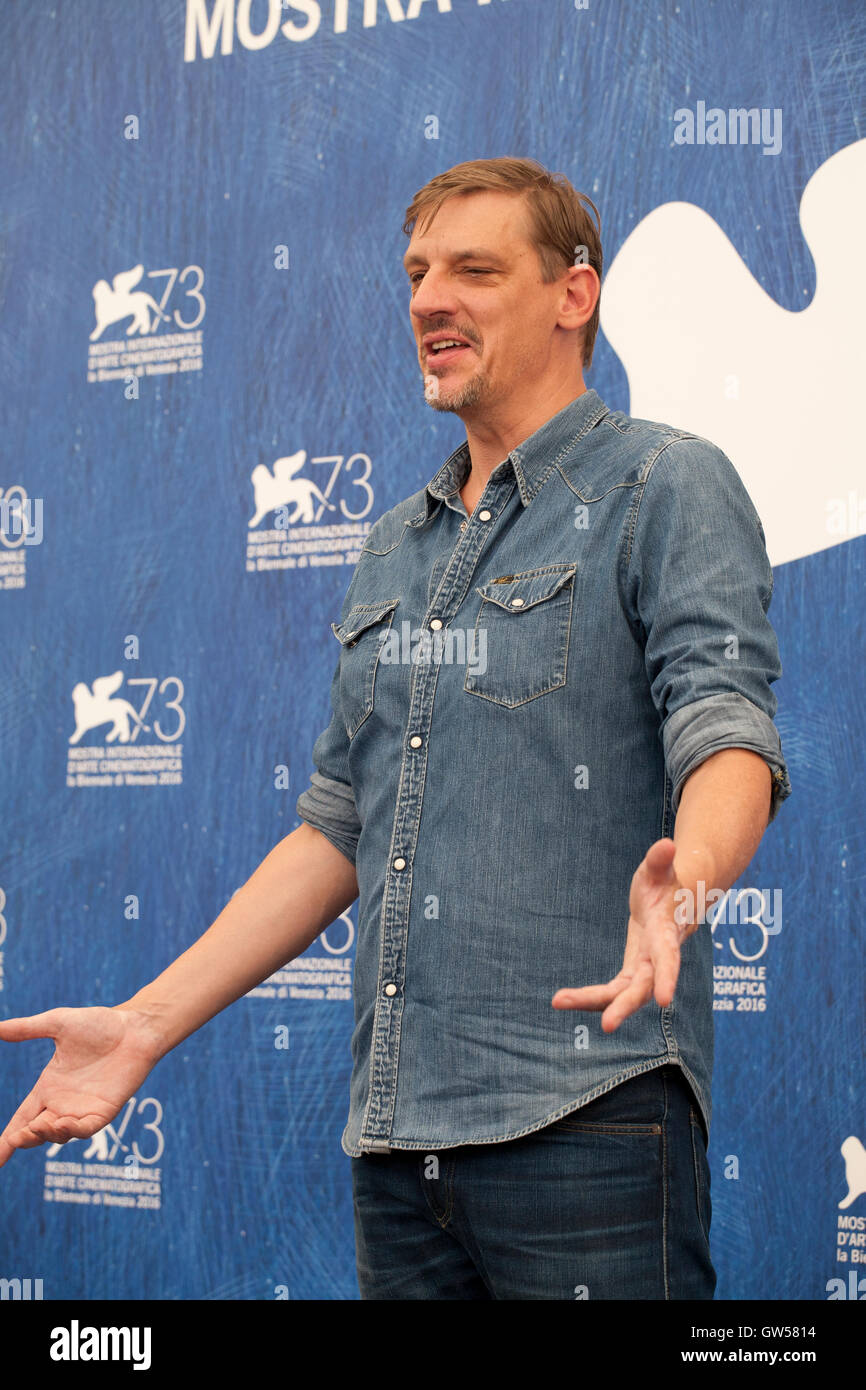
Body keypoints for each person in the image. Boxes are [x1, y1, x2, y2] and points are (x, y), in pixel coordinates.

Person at [0, 157, 790, 1300]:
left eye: (473, 269)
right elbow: (337, 829)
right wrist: (141, 1025)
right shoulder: (391, 546)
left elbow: (726, 724)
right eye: (417, 272)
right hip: (396, 1149)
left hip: (583, 1126)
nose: (427, 299)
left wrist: (690, 880)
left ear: (574, 296)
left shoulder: (665, 484)